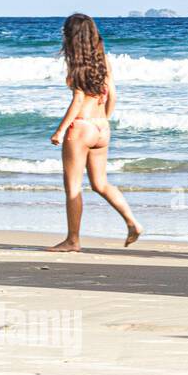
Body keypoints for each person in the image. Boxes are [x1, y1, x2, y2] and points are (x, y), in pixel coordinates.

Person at [46, 13, 142, 251]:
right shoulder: (103, 59)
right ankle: (133, 222)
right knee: (101, 184)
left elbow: (78, 100)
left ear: (72, 35)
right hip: (101, 128)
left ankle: (73, 240)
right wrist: (103, 122)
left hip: (81, 127)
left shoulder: (76, 61)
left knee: (73, 188)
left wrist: (60, 130)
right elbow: (113, 95)